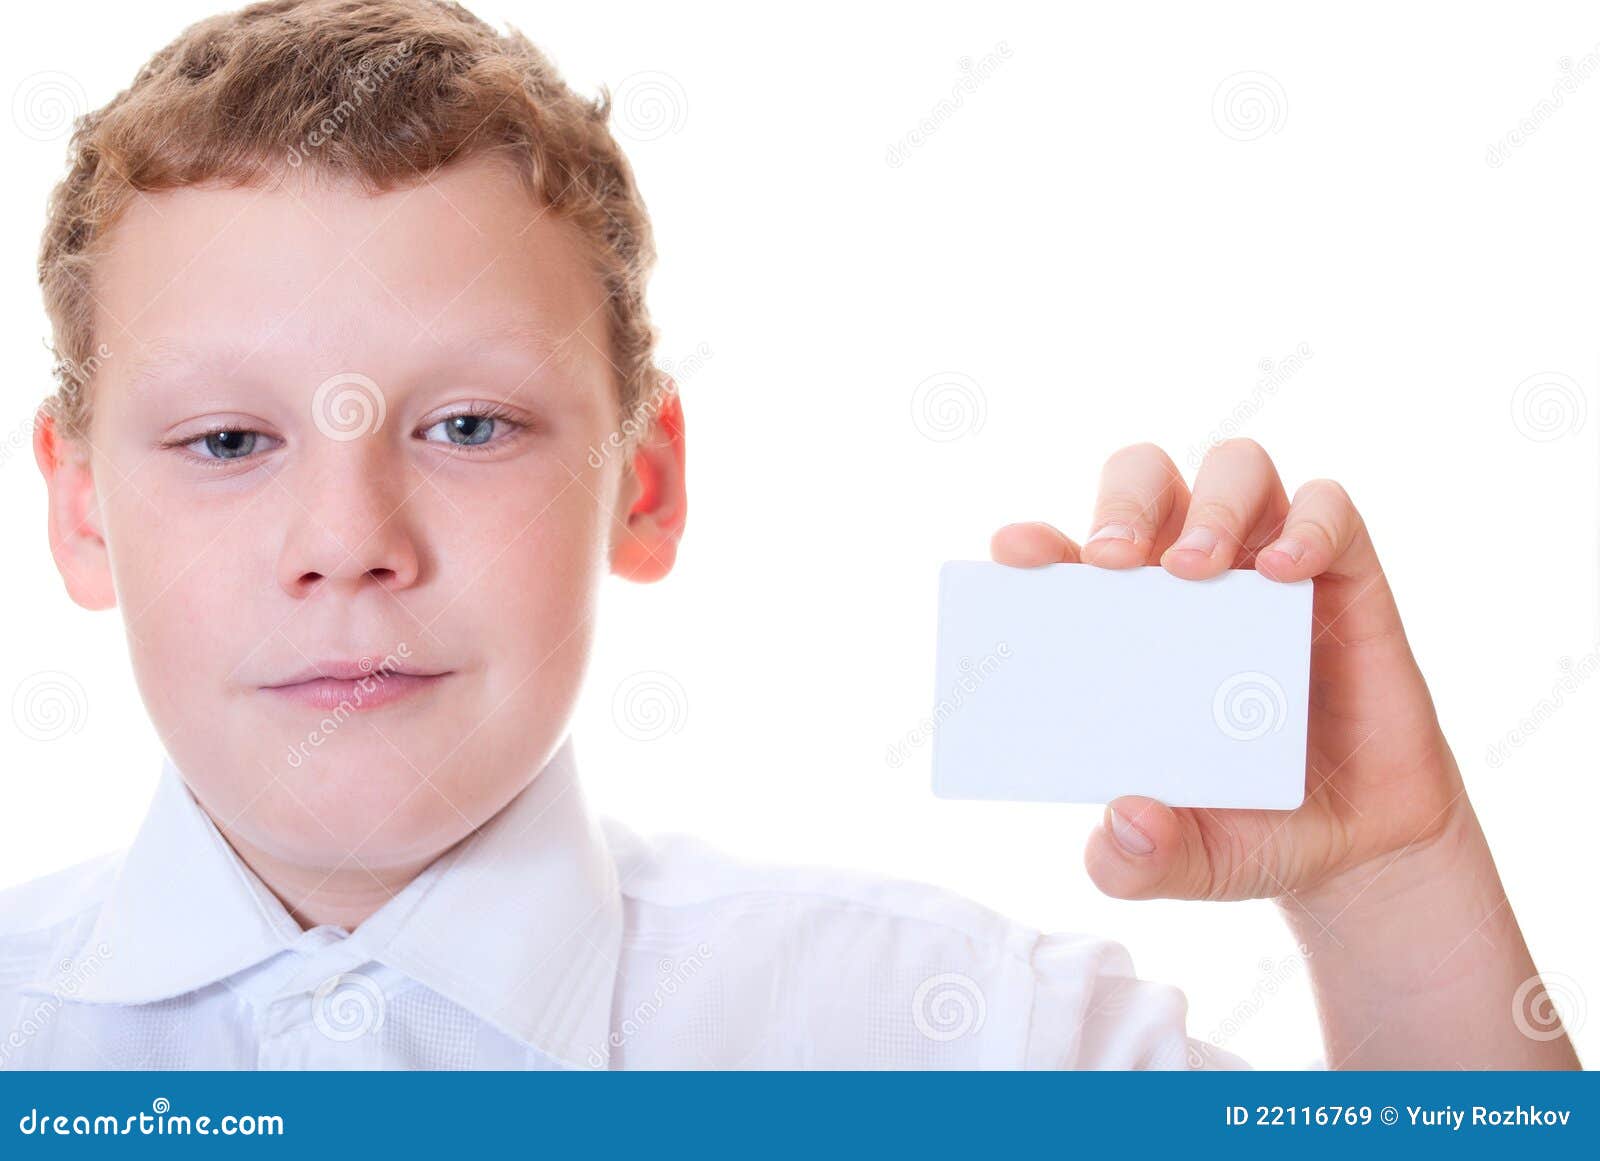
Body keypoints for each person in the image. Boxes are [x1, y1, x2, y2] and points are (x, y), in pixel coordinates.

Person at [0, 0, 1579, 1069]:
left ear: (647, 482)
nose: (347, 542)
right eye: (227, 440)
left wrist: (1390, 887)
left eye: (468, 426)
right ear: (80, 507)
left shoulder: (956, 1038)